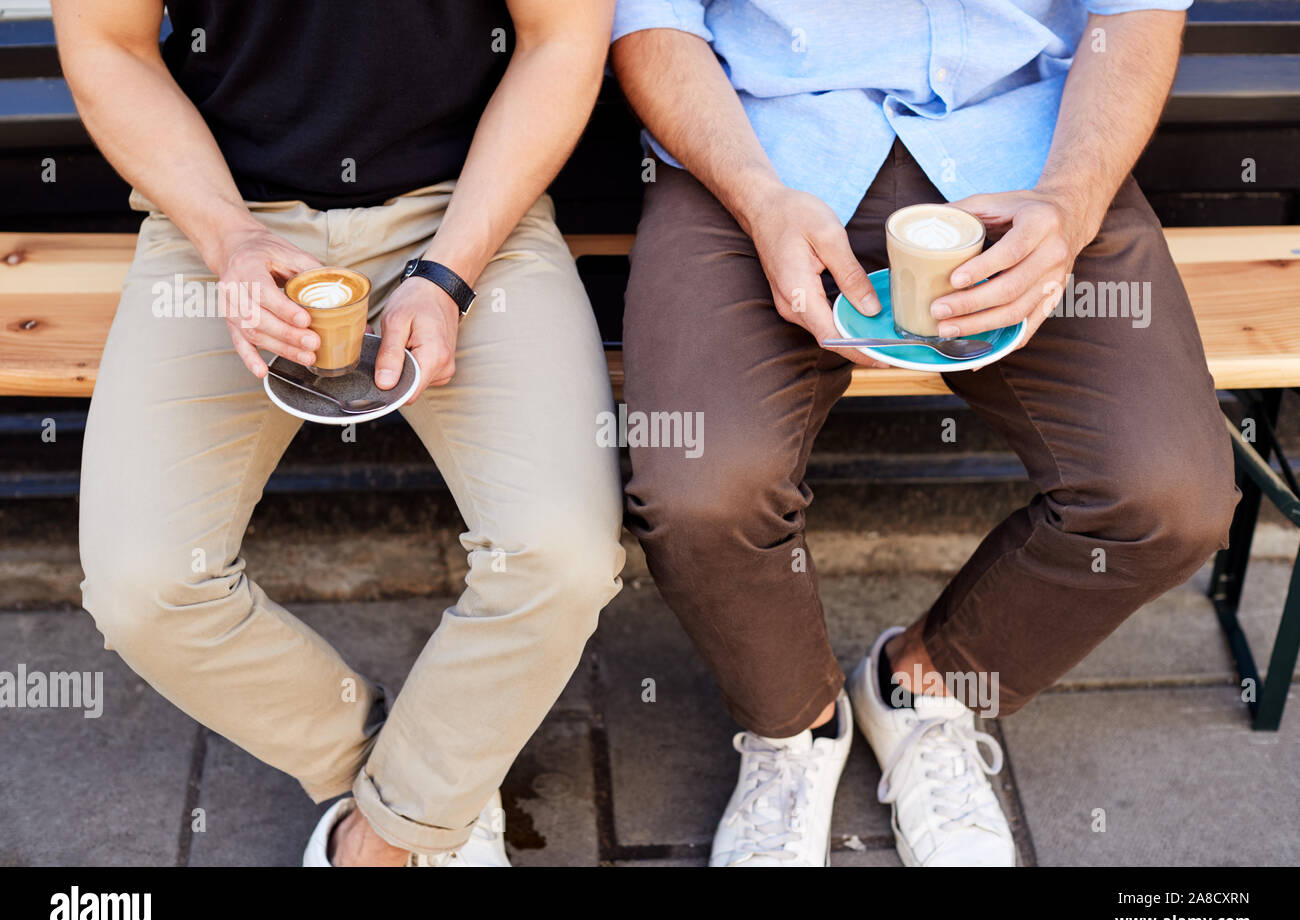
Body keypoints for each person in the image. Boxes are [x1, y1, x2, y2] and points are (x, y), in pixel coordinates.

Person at [611, 0, 1238, 866]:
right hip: (758, 153)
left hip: (1031, 156)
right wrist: (758, 199)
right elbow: (650, 21)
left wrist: (1070, 198)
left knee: (1170, 497)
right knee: (699, 493)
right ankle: (795, 724)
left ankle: (920, 685)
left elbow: (1134, 13)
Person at [57, 0, 622, 866]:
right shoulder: (224, 228)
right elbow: (107, 44)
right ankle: (429, 782)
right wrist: (229, 238)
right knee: (147, 586)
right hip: (224, 212)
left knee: (561, 556)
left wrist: (449, 273)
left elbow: (561, 39)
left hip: (469, 211)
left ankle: (388, 836)